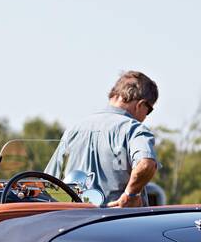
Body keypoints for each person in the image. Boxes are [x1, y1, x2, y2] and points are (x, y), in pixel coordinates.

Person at [45, 70, 159, 206]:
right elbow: (146, 164)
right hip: (117, 222)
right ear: (140, 104)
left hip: (74, 222)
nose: (146, 116)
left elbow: (49, 182)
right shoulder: (134, 129)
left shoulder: (73, 130)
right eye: (149, 110)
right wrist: (131, 195)